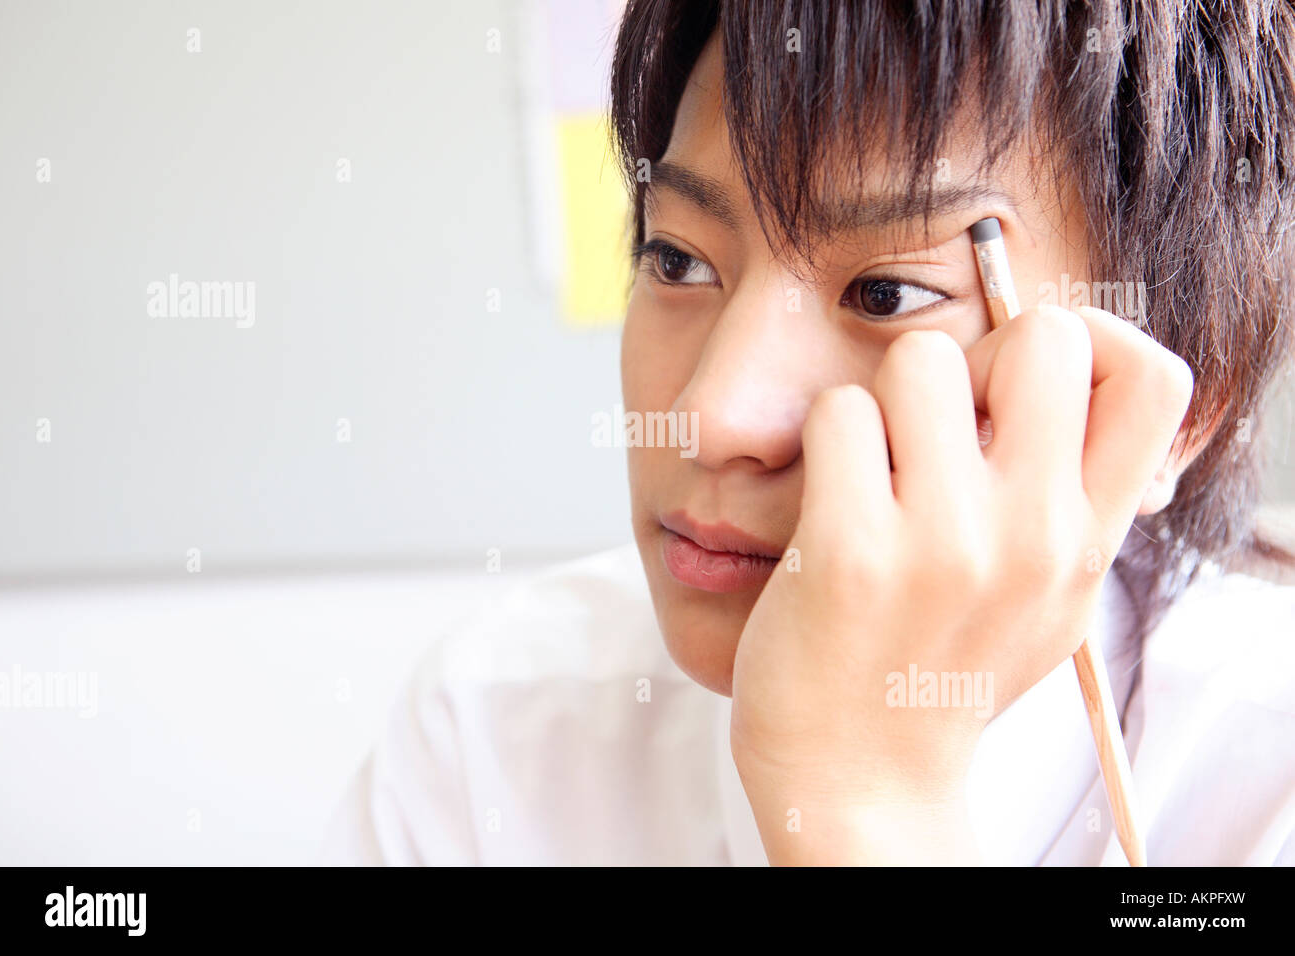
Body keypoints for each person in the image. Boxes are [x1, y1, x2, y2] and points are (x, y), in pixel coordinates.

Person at [320, 0, 1295, 865]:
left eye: (887, 293)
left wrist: (861, 803)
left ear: (1174, 419)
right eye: (677, 259)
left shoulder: (1265, 784)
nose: (710, 412)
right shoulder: (499, 729)